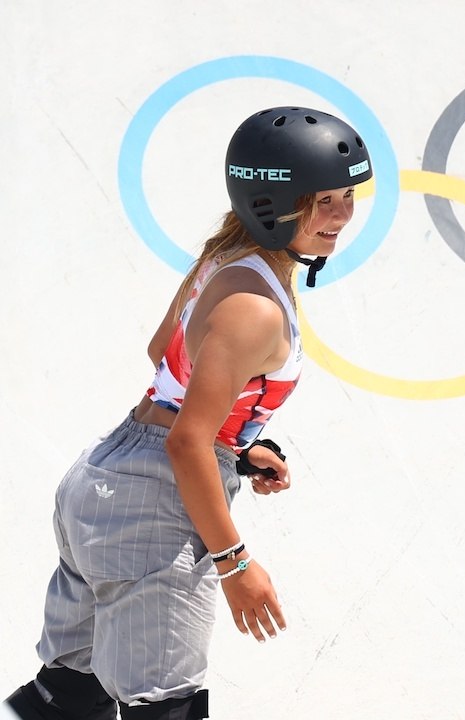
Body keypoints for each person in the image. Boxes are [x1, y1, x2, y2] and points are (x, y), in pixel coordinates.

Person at [4, 106, 373, 720]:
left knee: (67, 699)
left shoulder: (222, 258)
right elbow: (185, 445)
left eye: (345, 196)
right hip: (154, 510)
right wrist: (236, 563)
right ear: (273, 202)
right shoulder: (257, 308)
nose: (341, 216)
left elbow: (164, 358)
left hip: (104, 480)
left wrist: (238, 442)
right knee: (165, 709)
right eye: (322, 200)